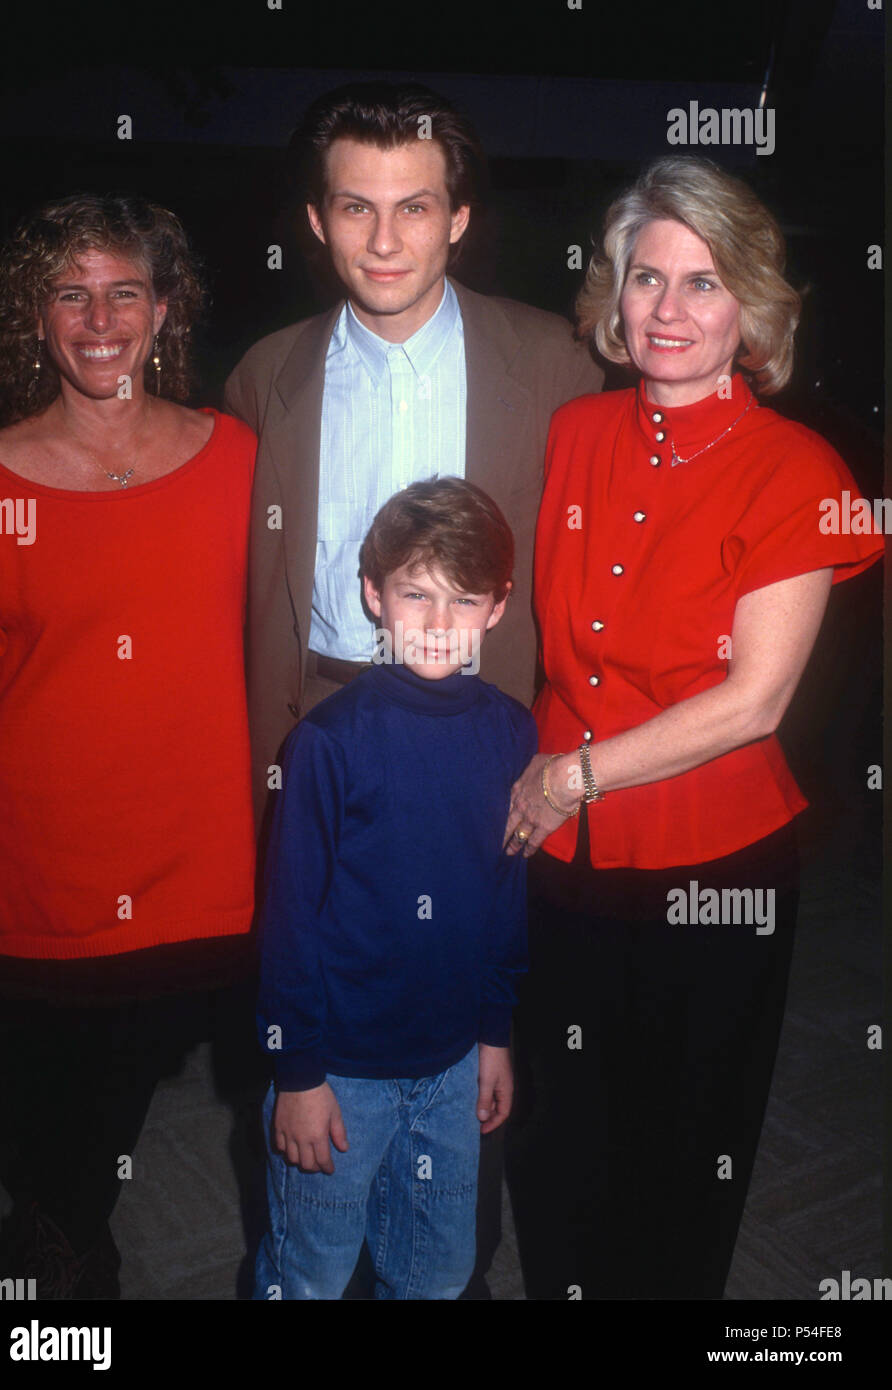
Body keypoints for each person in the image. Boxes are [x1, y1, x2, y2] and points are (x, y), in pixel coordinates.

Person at [224, 80, 601, 1294]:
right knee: (326, 1002)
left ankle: (442, 1265)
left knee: (457, 1027)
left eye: (412, 207)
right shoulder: (264, 375)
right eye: (354, 206)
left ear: (458, 219)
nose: (383, 239)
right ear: (315, 220)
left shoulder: (551, 362)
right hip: (324, 724)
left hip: (478, 734)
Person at [502, 156, 884, 1300]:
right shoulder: (569, 430)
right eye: (645, 278)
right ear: (611, 298)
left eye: (702, 284)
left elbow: (751, 702)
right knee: (555, 1137)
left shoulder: (797, 471)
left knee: (681, 1154)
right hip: (556, 864)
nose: (668, 310)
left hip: (708, 873)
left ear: (752, 312)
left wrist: (567, 774)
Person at [0, 194, 257, 1297]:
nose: (97, 318)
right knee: (49, 1156)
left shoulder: (239, 460)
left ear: (162, 310)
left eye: (123, 290)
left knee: (140, 1120)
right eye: (68, 293)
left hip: (205, 874)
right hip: (37, 874)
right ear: (32, 319)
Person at [254, 477, 536, 1300]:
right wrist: (297, 1071)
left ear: (498, 606)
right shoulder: (326, 743)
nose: (440, 625)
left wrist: (495, 1033)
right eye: (416, 594)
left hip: (452, 1066)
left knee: (439, 1274)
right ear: (374, 594)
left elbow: (503, 897)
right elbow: (287, 924)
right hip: (338, 1071)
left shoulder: (513, 733)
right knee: (310, 1273)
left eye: (463, 599)